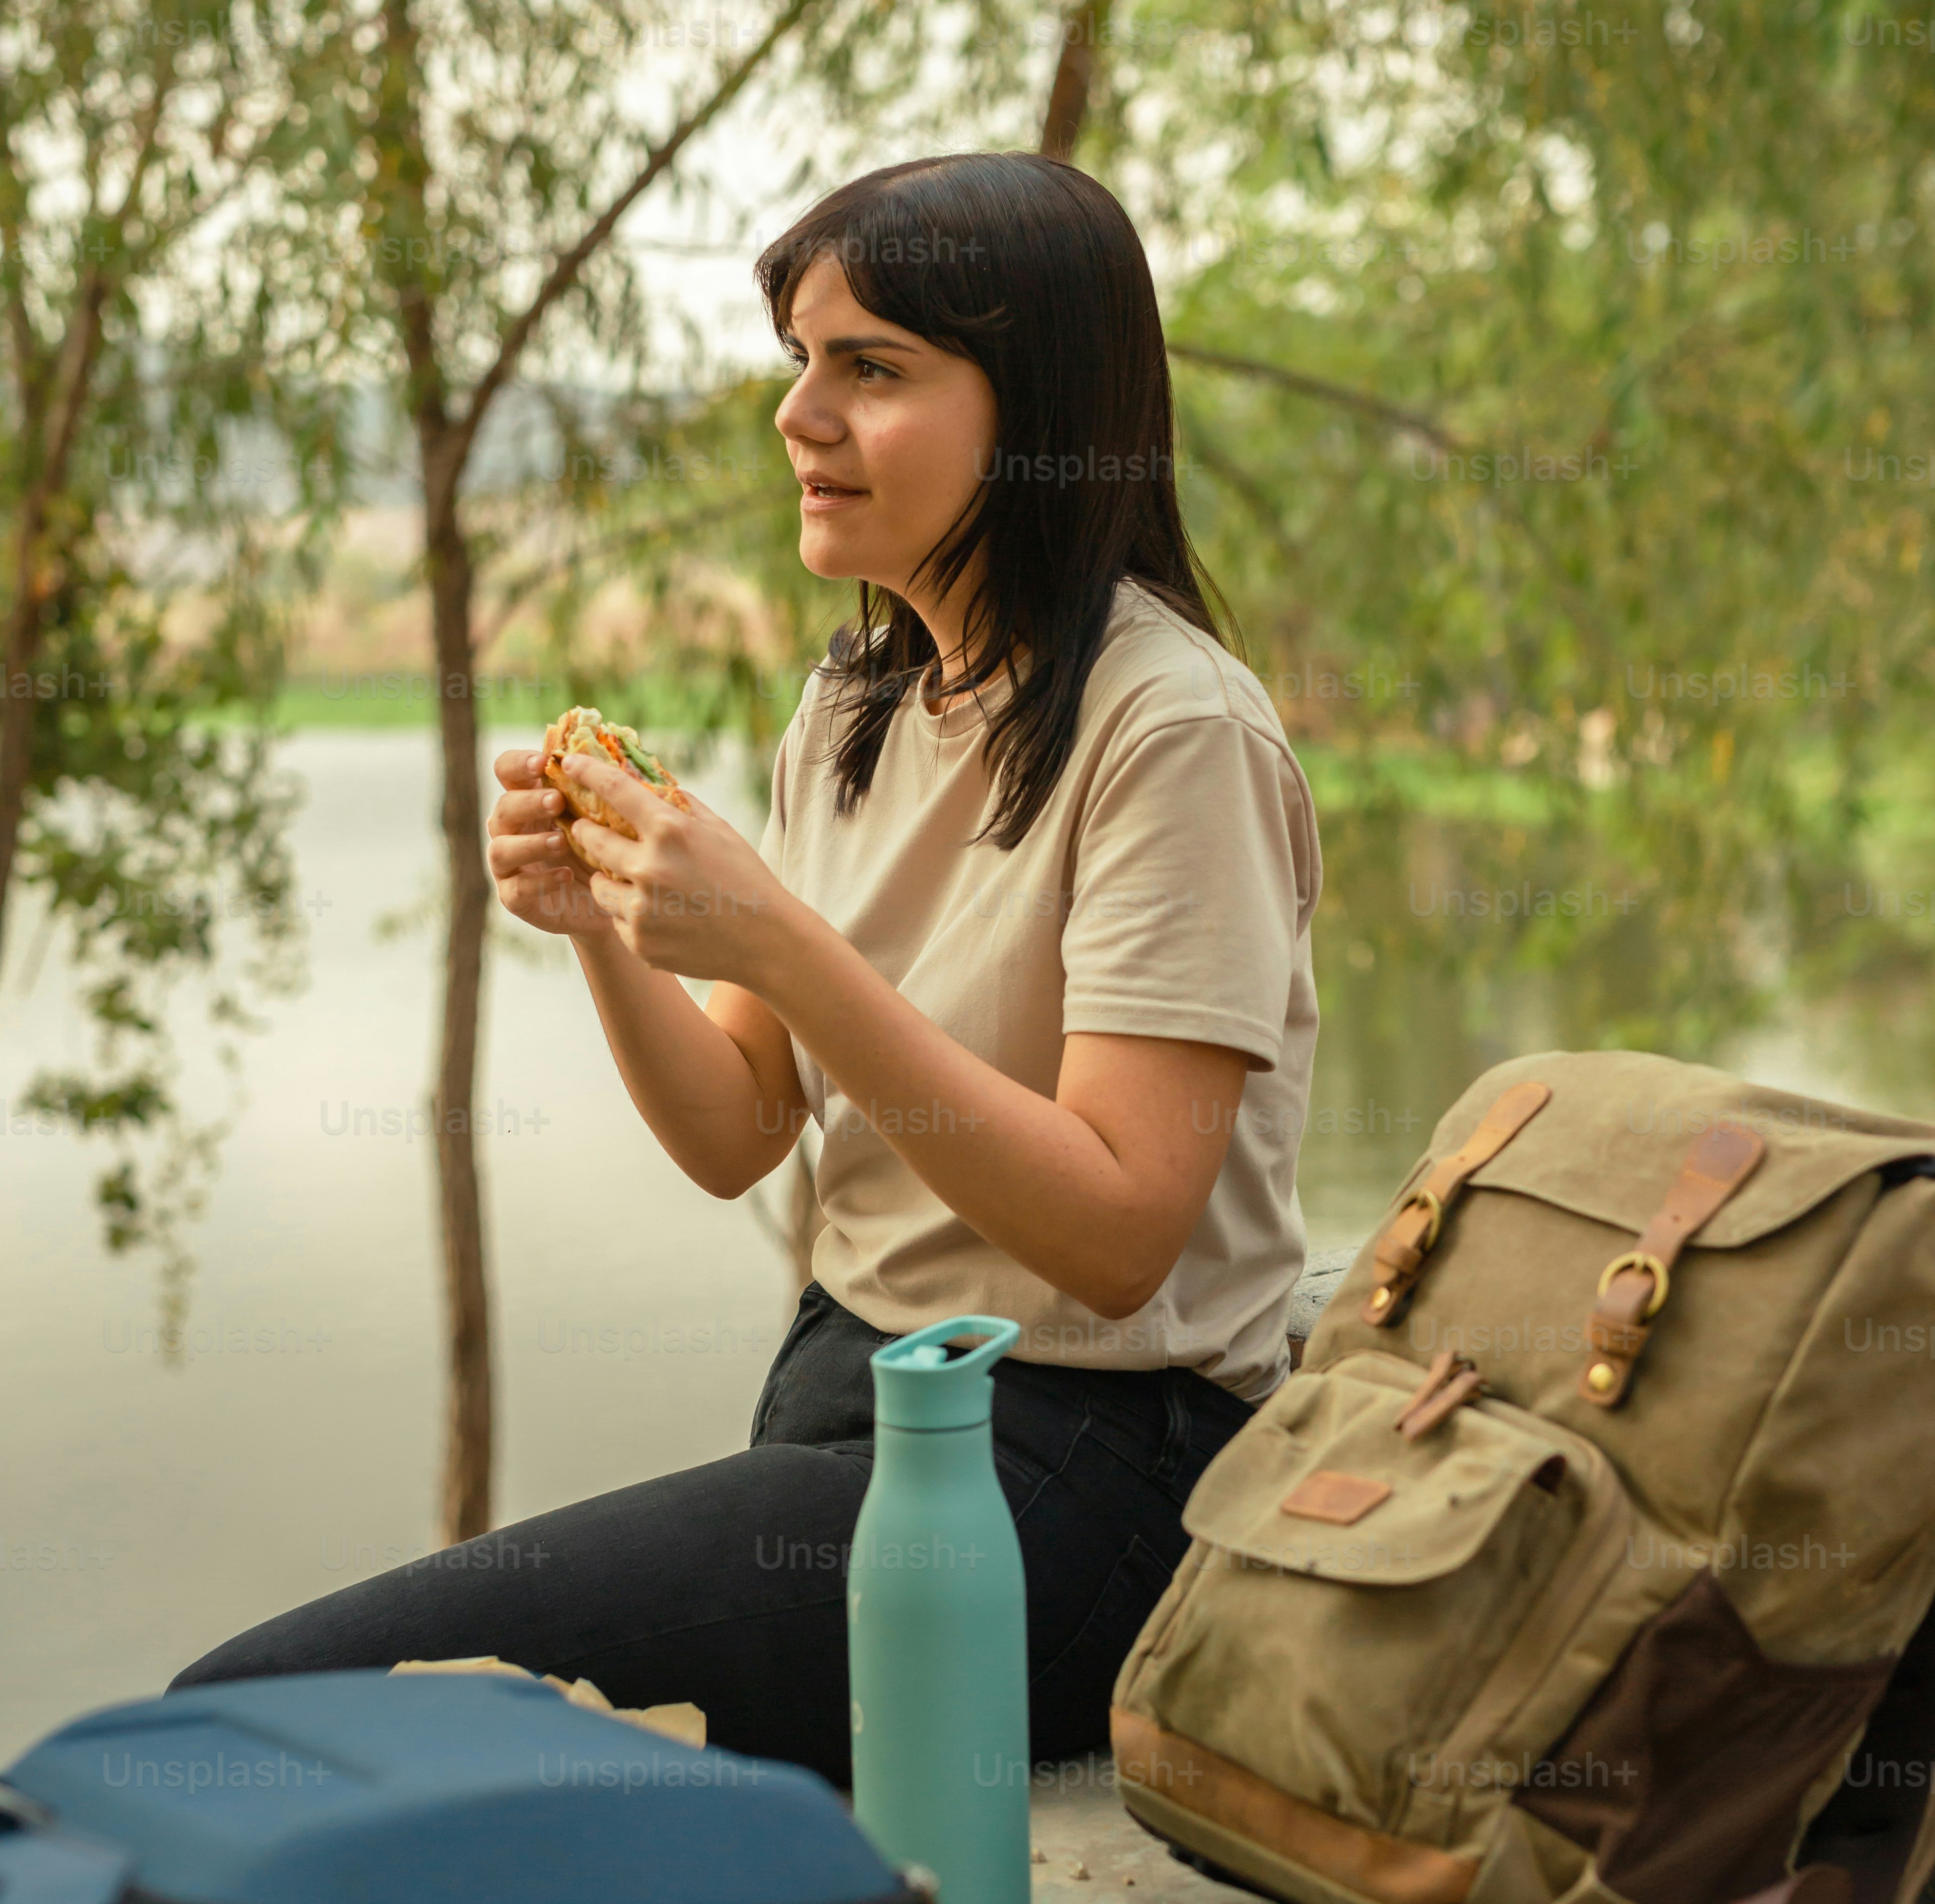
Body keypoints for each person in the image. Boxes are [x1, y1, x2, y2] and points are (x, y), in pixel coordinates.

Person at [173, 151, 1322, 1783]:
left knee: (258, 1717)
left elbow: (1126, 1228)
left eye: (873, 368)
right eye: (801, 360)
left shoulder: (1172, 731)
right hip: (848, 1403)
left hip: (1079, 1473)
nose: (800, 414)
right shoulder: (860, 701)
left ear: (1045, 409)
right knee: (303, 1728)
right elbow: (736, 1134)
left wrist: (774, 939)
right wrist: (612, 932)